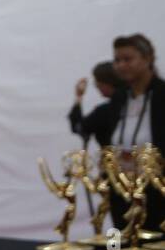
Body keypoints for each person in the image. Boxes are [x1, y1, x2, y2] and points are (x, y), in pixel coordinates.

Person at [103, 34, 165, 230]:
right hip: (120, 189)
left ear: (147, 59)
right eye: (117, 60)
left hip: (155, 190)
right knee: (119, 245)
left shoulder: (162, 94)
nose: (121, 65)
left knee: (152, 249)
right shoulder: (119, 97)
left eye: (127, 59)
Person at [68, 60, 121, 147]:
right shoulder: (133, 105)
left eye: (98, 81)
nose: (96, 85)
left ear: (107, 82)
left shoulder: (103, 112)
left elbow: (78, 127)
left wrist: (79, 96)